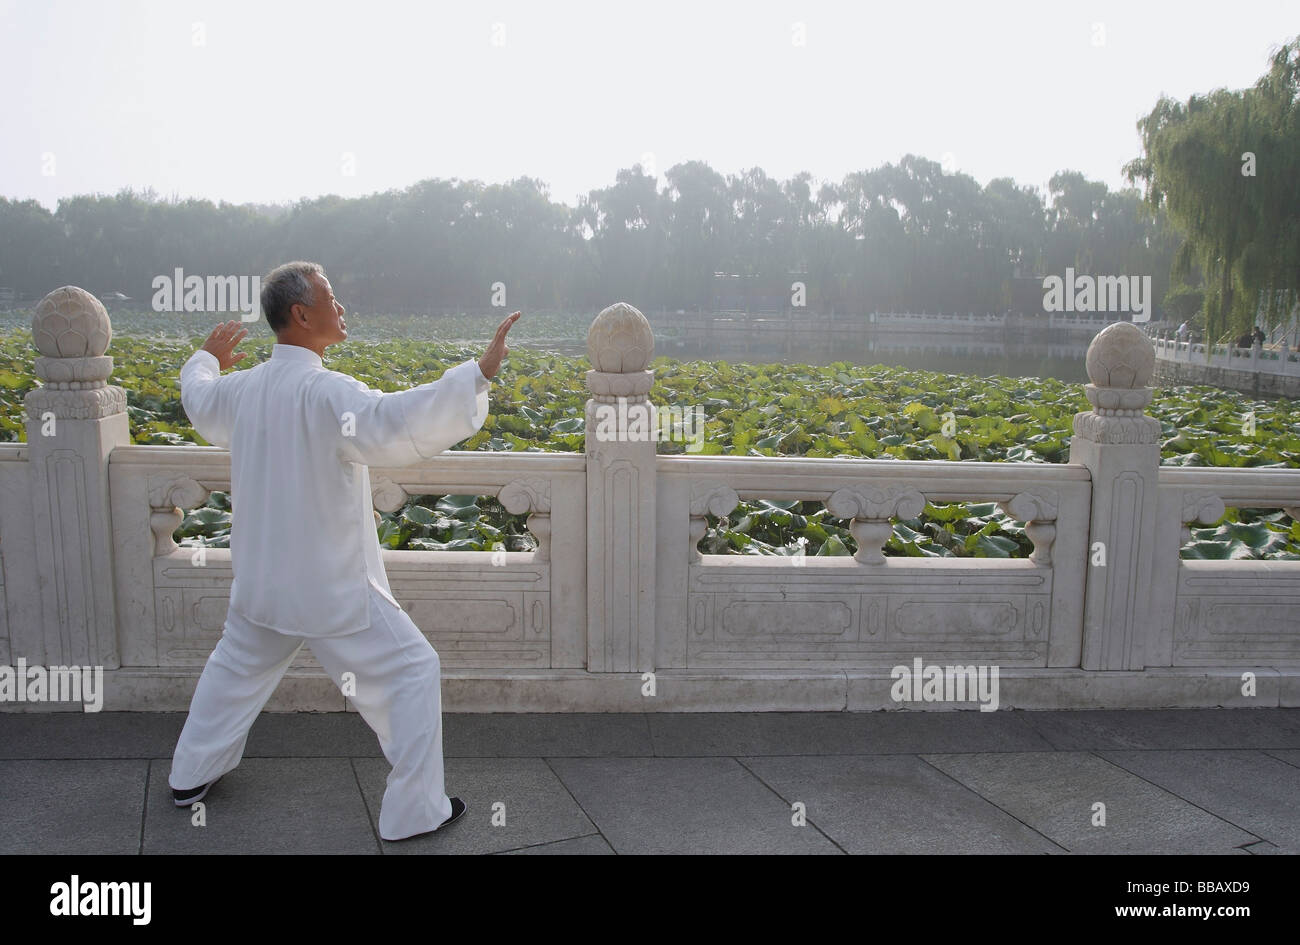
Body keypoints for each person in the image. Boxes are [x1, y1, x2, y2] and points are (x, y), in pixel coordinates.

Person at [167, 261, 520, 841]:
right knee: (413, 670)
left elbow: (198, 398)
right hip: (328, 585)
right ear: (302, 314)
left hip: (261, 580)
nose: (342, 308)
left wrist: (205, 358)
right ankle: (415, 813)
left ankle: (189, 778)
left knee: (234, 670)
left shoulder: (243, 389)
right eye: (332, 298)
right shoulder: (327, 393)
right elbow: (393, 422)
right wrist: (475, 376)